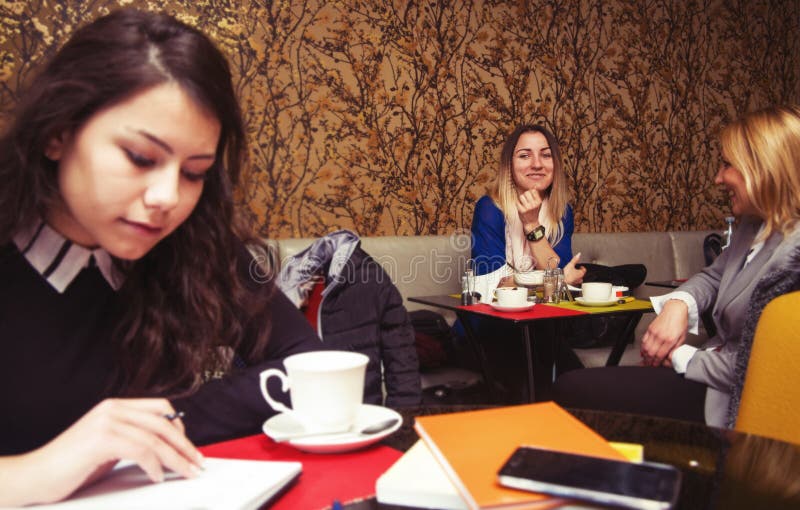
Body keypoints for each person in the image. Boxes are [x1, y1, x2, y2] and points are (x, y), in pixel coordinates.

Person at [0, 9, 320, 506]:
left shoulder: (193, 243)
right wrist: (43, 468)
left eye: (194, 172)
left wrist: (162, 421)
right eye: (141, 158)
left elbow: (312, 365)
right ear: (57, 133)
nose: (167, 197)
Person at [553, 105, 800, 427]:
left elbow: (757, 369)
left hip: (734, 403)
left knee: (575, 388)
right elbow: (713, 277)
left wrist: (680, 356)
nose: (718, 178)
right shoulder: (754, 226)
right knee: (572, 384)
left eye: (727, 165)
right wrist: (679, 304)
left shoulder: (792, 257)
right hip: (710, 375)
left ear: (764, 168)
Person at [470, 124, 586, 287]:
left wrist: (532, 225)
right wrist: (553, 279)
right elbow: (493, 283)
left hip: (548, 304)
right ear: (509, 164)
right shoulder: (489, 208)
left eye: (546, 155)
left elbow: (561, 274)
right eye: (524, 156)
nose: (537, 164)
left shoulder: (562, 211)